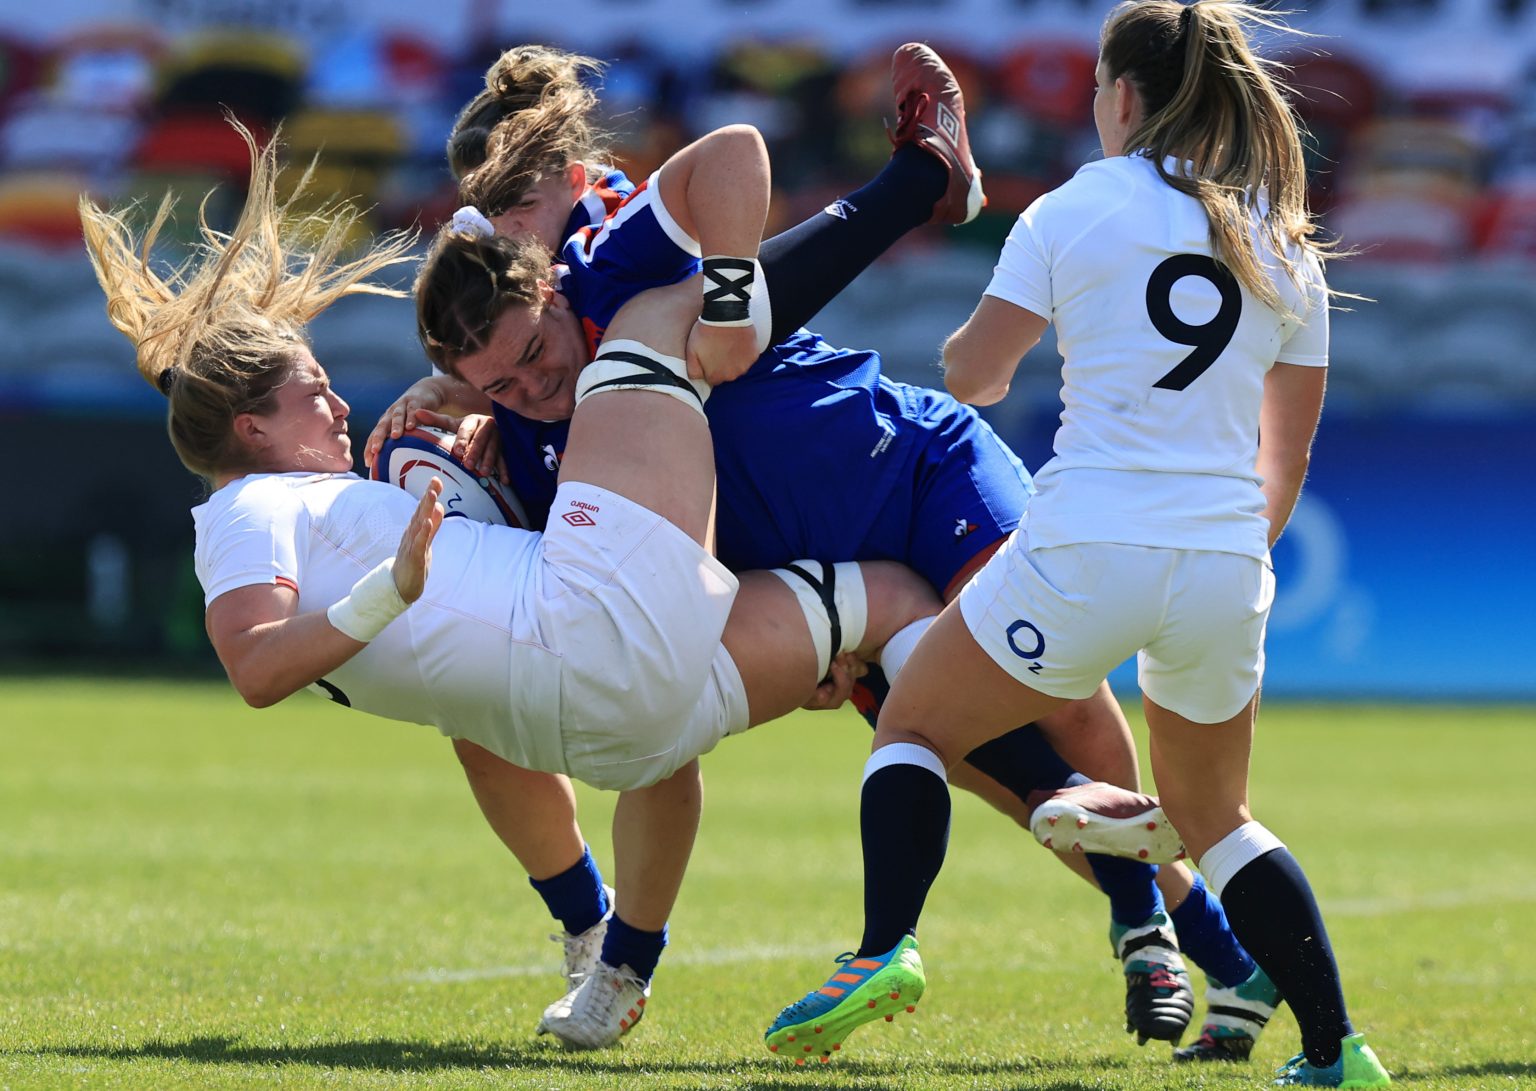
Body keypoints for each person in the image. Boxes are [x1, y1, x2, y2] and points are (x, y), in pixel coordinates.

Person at [389, 41, 1282, 1062]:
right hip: (840, 563)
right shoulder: (525, 411)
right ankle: (1216, 949)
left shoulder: (610, 258)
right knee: (1009, 777)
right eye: (480, 211)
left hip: (914, 465)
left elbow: (732, 155)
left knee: (1063, 695)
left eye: (517, 202)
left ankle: (1151, 931)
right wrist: (805, 634)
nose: (527, 386)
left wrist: (726, 287)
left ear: (568, 177)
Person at [78, 122, 948, 1053]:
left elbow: (454, 608)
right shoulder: (252, 508)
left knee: (891, 597)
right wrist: (395, 581)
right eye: (313, 390)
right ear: (252, 429)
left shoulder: (334, 498)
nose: (338, 403)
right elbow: (254, 664)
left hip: (615, 722)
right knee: (652, 317)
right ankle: (914, 186)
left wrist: (472, 440)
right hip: (597, 621)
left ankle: (610, 956)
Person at [762, 3, 1393, 1086]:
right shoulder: (1282, 236)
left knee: (911, 725)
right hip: (1225, 560)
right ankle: (1341, 1052)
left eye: (1102, 85)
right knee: (1220, 817)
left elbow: (974, 377)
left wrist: (976, 339)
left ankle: (879, 951)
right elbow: (1278, 468)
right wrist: (1222, 558)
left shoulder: (1072, 208)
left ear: (1125, 97)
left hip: (1089, 544)